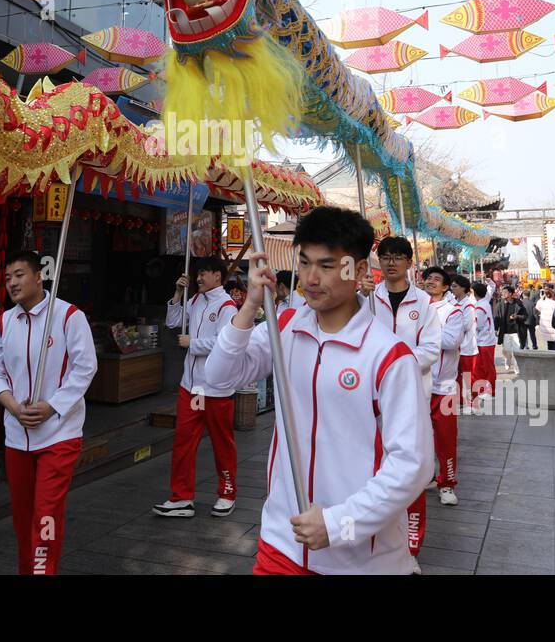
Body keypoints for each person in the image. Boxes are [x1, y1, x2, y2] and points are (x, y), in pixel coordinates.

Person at [205, 206, 434, 574]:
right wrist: (248, 308)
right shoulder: (286, 328)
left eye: (327, 266)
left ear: (359, 271)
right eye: (305, 262)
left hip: (362, 559)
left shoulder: (389, 356)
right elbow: (217, 379)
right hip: (282, 542)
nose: (311, 278)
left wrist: (342, 522)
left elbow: (414, 464)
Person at [0, 250, 98, 574]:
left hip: (59, 433)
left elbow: (85, 368)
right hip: (17, 435)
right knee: (22, 516)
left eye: (19, 275)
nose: (13, 283)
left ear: (39, 276)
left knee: (46, 513)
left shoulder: (68, 316)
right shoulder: (4, 323)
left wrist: (52, 407)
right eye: (8, 279)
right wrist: (12, 405)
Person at [366, 235, 437, 570]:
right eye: (385, 256)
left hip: (410, 399)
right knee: (371, 472)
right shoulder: (367, 299)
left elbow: (431, 349)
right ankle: (376, 542)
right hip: (370, 401)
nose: (390, 262)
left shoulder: (424, 303)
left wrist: (395, 363)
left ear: (409, 262)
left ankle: (411, 548)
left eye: (398, 256)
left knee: (409, 475)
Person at [155, 256, 239, 518]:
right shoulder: (194, 299)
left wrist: (193, 343)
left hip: (215, 388)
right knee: (183, 441)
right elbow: (173, 323)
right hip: (191, 387)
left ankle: (227, 493)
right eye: (198, 273)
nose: (199, 277)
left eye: (204, 273)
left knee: (221, 442)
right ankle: (181, 497)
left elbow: (225, 343)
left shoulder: (227, 306)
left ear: (218, 276)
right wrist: (178, 294)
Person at [425, 267, 468, 507]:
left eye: (436, 279)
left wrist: (423, 335)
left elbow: (451, 341)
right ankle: (425, 476)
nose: (431, 281)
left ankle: (447, 483)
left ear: (445, 287)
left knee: (446, 438)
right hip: (418, 383)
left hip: (444, 387)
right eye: (428, 278)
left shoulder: (453, 310)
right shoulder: (416, 307)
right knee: (417, 437)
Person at [451, 274, 478, 407]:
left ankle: (472, 403)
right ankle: (460, 401)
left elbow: (466, 325)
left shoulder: (469, 305)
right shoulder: (455, 303)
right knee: (457, 376)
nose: (452, 288)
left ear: (463, 288)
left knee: (469, 378)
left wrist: (452, 325)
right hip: (457, 347)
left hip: (467, 347)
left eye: (455, 286)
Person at [470, 281, 497, 402]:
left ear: (474, 292)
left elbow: (478, 325)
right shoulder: (484, 301)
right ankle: (485, 390)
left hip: (484, 341)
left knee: (487, 367)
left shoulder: (480, 306)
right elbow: (491, 289)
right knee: (482, 367)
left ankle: (491, 392)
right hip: (485, 341)